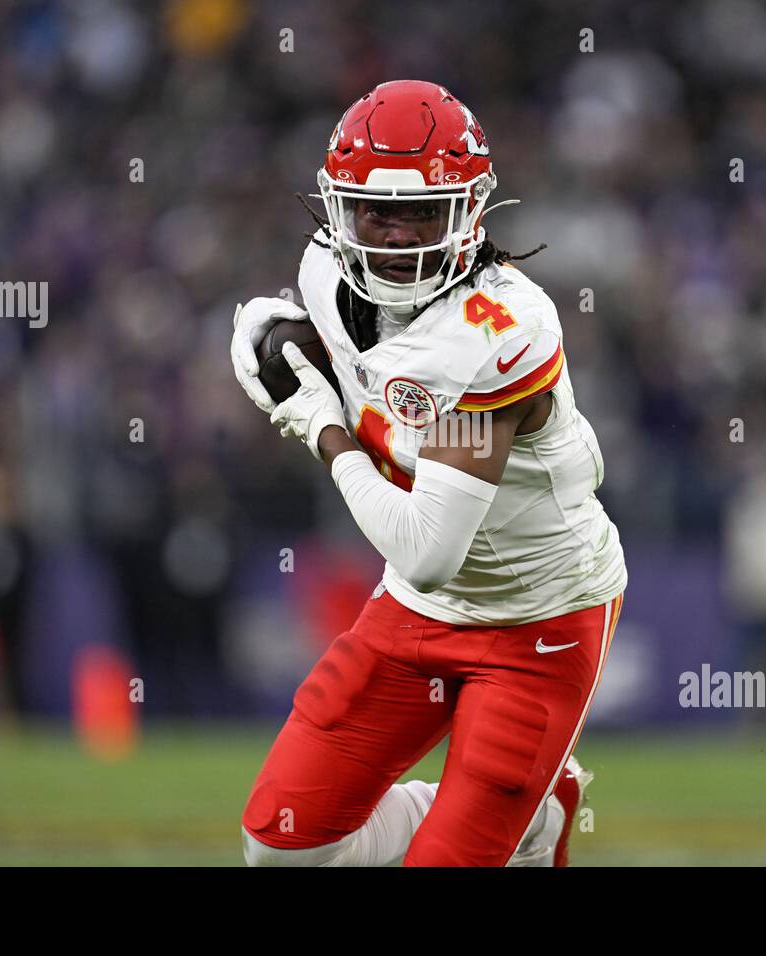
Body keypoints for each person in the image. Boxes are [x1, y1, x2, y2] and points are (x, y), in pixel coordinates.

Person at [231, 81, 627, 866]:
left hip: (535, 619)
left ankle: (537, 817)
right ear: (338, 211)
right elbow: (323, 350)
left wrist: (318, 425)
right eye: (376, 211)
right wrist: (263, 337)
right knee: (280, 847)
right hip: (417, 610)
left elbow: (425, 546)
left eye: (422, 212)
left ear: (471, 213)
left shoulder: (496, 334)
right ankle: (527, 812)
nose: (396, 235)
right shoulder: (324, 272)